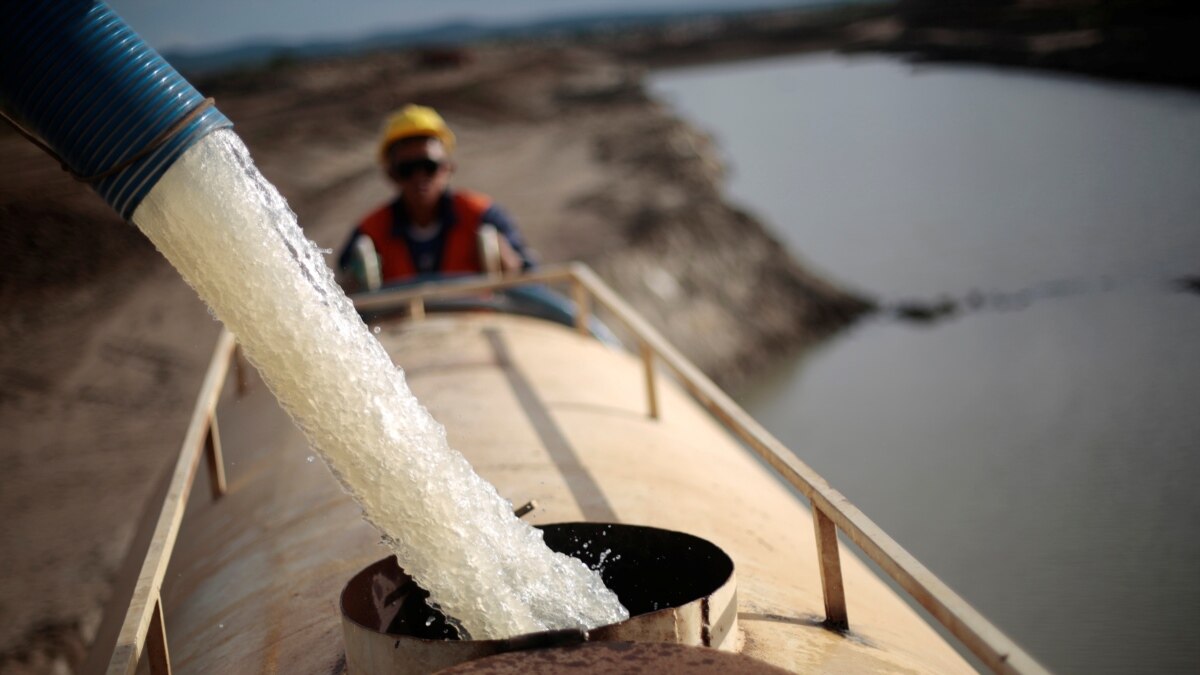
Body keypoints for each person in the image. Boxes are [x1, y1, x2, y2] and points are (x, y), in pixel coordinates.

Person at [337, 104, 533, 290]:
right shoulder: (370, 233)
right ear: (391, 174)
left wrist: (513, 271)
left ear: (447, 168)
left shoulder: (483, 216)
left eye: (429, 166)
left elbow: (531, 280)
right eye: (407, 169)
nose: (419, 177)